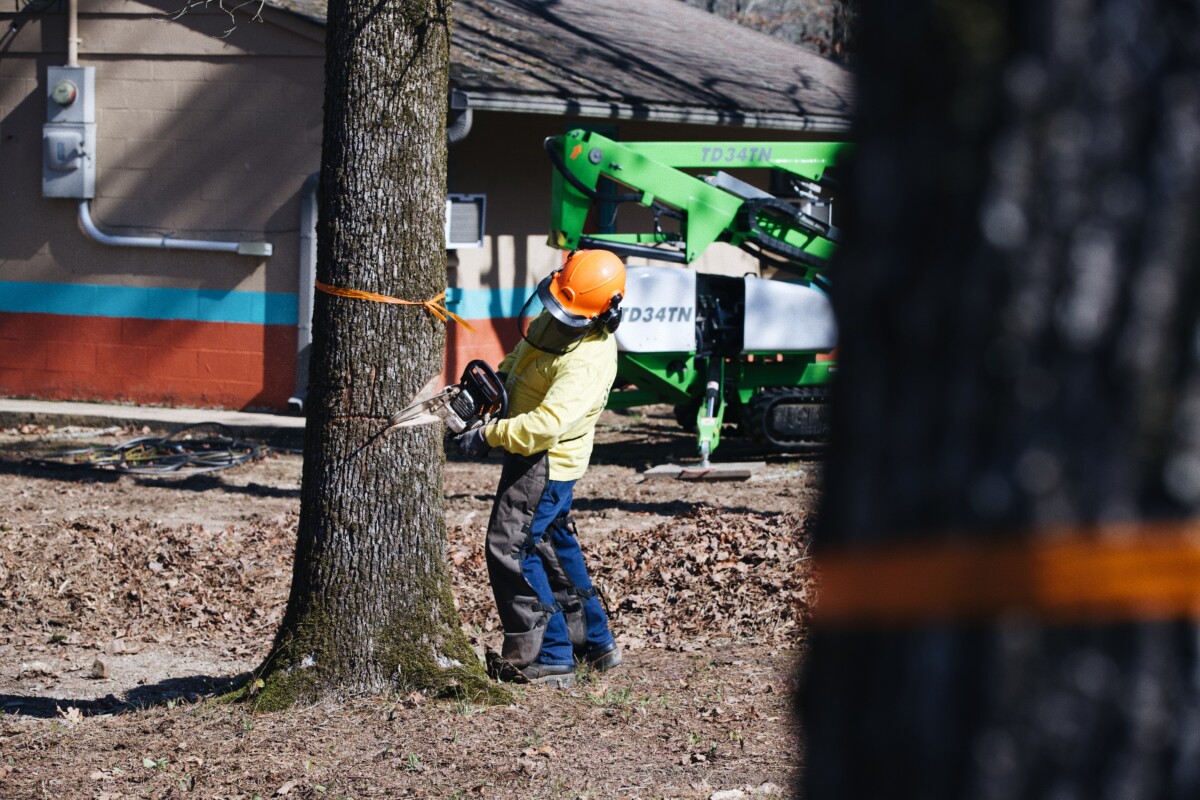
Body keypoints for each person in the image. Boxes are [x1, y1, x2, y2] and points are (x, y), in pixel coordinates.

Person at [455, 249, 626, 687]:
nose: (561, 318)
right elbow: (523, 355)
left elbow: (546, 427)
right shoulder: (564, 317)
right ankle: (594, 642)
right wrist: (490, 386)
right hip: (536, 455)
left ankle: (548, 656)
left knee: (512, 548)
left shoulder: (589, 359)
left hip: (545, 461)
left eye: (572, 315)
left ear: (604, 314)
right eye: (558, 309)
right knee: (552, 544)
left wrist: (487, 435)